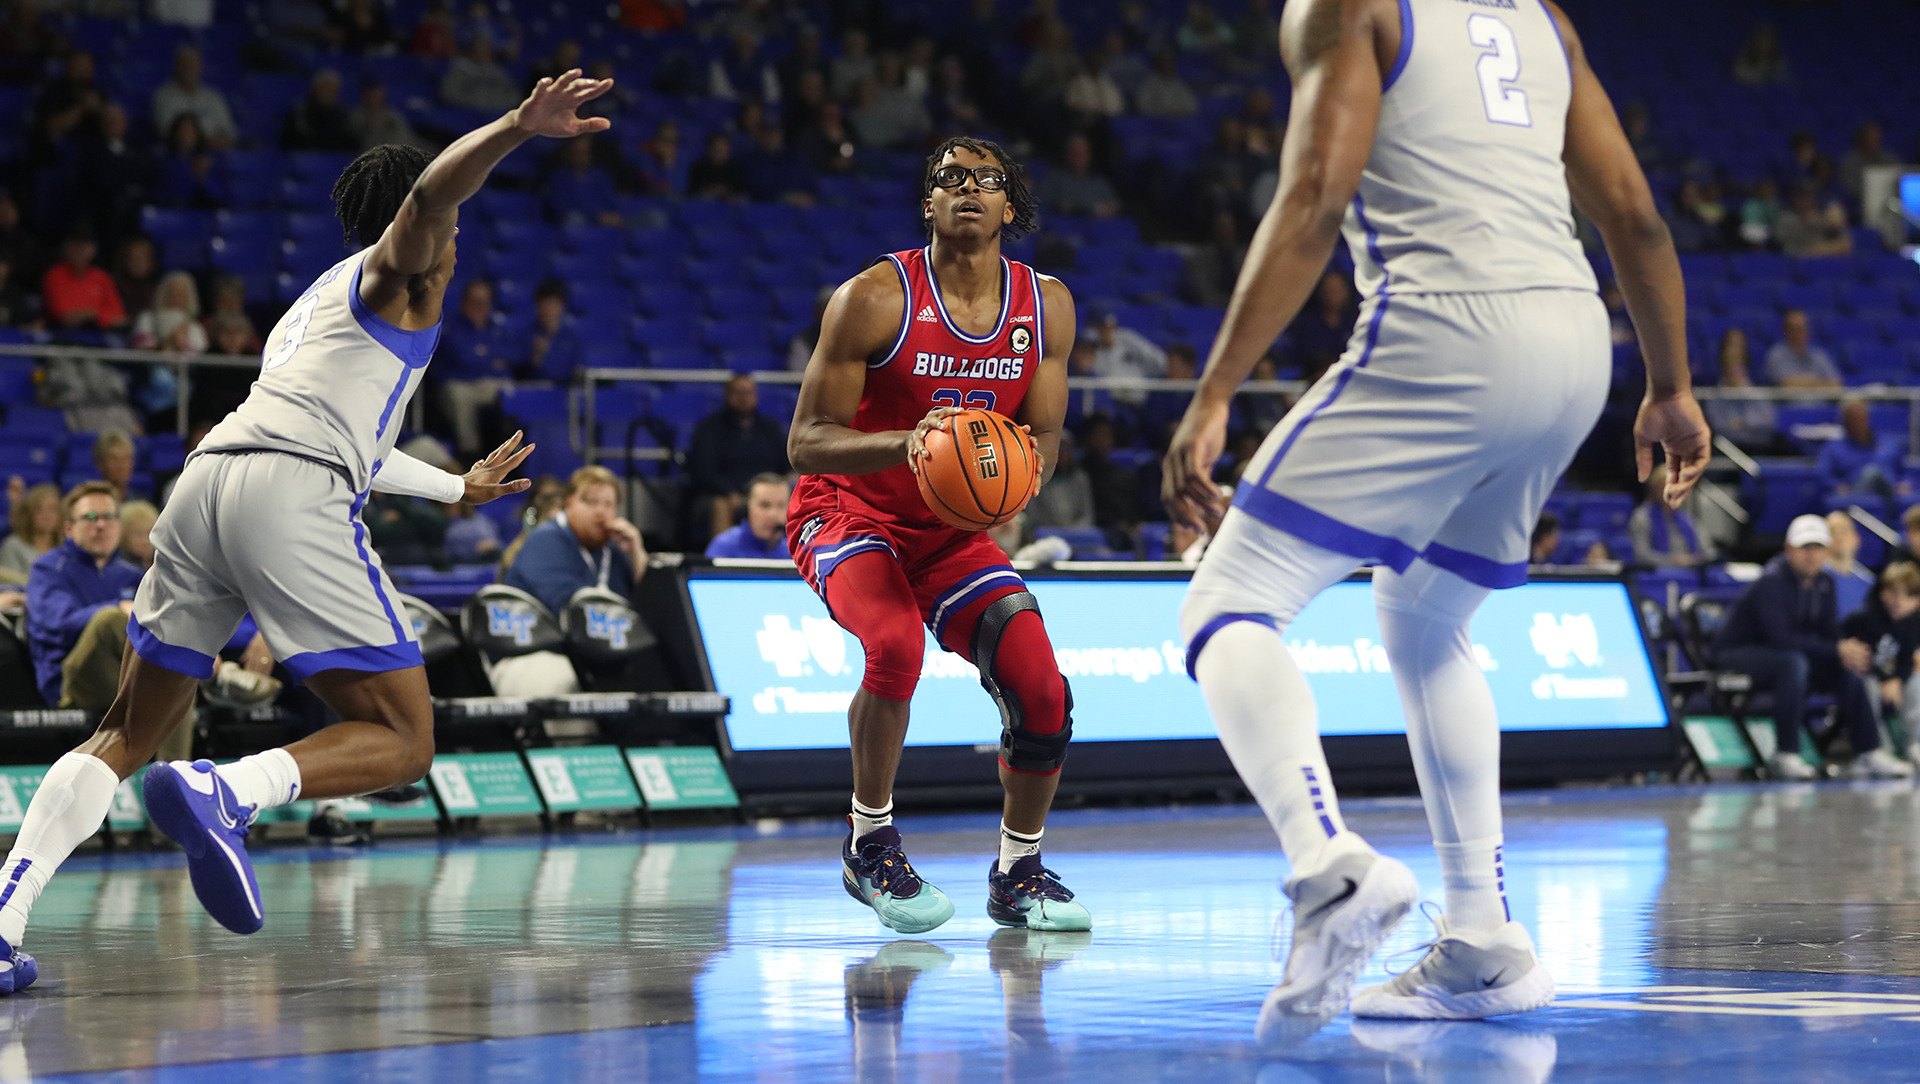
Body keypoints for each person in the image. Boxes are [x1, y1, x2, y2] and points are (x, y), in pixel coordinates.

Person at [1160, 0, 1711, 1037]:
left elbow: (1317, 192)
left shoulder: (1349, 6)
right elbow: (1633, 211)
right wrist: (1671, 384)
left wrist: (1217, 389)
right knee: (1425, 619)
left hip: (1446, 325)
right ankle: (1485, 939)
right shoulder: (1543, 17)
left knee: (1227, 600)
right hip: (1574, 343)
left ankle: (1328, 867)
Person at [0, 69, 609, 988]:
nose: (452, 236)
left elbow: (350, 436)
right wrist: (518, 128)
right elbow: (432, 195)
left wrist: (452, 488)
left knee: (124, 730)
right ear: (420, 217)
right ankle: (227, 790)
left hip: (207, 484)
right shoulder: (405, 264)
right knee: (405, 737)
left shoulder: (313, 307)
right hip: (289, 493)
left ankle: (4, 914)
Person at [786, 136, 1090, 936]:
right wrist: (914, 441)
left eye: (986, 181)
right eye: (949, 179)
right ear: (928, 202)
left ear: (1009, 207)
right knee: (895, 645)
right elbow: (805, 441)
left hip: (950, 530)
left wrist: (1008, 482)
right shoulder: (873, 297)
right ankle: (869, 841)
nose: (967, 190)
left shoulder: (1046, 305)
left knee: (1042, 690)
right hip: (847, 508)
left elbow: (1047, 441)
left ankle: (1019, 871)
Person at [1715, 515, 1910, 781]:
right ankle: (1786, 754)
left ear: (1826, 551)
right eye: (1804, 548)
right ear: (1788, 550)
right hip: (1738, 654)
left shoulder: (1825, 583)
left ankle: (1869, 751)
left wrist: (1845, 648)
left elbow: (1828, 633)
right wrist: (1835, 649)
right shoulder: (1771, 582)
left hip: (1790, 657)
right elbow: (1780, 638)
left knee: (1846, 668)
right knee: (1793, 663)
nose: (1811, 555)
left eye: (1817, 548)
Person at [687, 373, 790, 541]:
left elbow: (785, 465)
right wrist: (731, 492)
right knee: (721, 504)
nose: (744, 398)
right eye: (738, 393)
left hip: (766, 491)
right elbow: (703, 472)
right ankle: (722, 559)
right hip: (724, 493)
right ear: (727, 396)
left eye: (748, 393)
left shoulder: (770, 428)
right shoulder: (709, 428)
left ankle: (790, 553)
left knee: (784, 500)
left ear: (755, 396)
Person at [1842, 562, 1920, 764]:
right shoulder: (1864, 618)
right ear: (1884, 593)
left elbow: (1906, 660)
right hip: (1860, 674)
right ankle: (1875, 748)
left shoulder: (1909, 623)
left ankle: (1916, 744)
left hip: (1886, 675)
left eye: (1907, 596)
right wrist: (1885, 679)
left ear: (1916, 602)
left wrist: (1896, 680)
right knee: (1867, 686)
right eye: (1893, 594)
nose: (1899, 601)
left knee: (1915, 682)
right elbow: (1860, 657)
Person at [437, 279, 518, 457]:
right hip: (460, 384)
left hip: (490, 384)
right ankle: (469, 454)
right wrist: (490, 359)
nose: (479, 306)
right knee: (460, 396)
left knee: (511, 392)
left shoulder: (498, 330)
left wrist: (481, 356)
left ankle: (513, 450)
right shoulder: (450, 328)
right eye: (475, 301)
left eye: (484, 302)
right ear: (464, 302)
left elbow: (515, 355)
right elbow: (462, 356)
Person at [1703, 328, 1782, 452]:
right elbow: (1719, 428)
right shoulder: (1715, 397)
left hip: (1758, 448)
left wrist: (1743, 423)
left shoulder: (1757, 394)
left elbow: (1768, 423)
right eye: (1730, 365)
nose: (1734, 370)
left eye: (1738, 365)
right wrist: (1748, 428)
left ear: (1745, 366)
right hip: (1727, 450)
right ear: (1723, 367)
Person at [41, 226, 126, 331]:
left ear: (94, 249)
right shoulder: (54, 276)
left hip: (100, 334)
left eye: (85, 245)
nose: (80, 251)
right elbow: (65, 318)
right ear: (65, 247)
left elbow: (119, 318)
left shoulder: (101, 277)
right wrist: (96, 315)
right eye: (75, 245)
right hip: (63, 335)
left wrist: (93, 315)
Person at [150, 46, 236, 149]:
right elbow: (167, 133)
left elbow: (229, 132)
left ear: (200, 67)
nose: (190, 68)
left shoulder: (214, 97)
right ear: (177, 66)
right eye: (185, 64)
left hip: (217, 153)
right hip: (181, 154)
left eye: (194, 64)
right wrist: (203, 142)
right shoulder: (163, 97)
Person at [1629, 464, 1712, 568]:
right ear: (1655, 489)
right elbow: (1641, 555)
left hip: (1692, 571)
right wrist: (1673, 561)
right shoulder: (1642, 517)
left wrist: (1699, 559)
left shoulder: (1687, 519)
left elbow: (1707, 550)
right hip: (1659, 574)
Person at [1817, 399, 1899, 499]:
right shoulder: (1833, 448)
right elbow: (1822, 476)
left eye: (1862, 417)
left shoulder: (1888, 443)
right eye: (1854, 418)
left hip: (1890, 490)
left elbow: (1906, 472)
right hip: (1854, 492)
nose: (1859, 423)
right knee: (1871, 473)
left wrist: (1906, 483)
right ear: (1845, 421)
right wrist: (1837, 486)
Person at [704, 473, 791, 559]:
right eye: (764, 505)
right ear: (748, 508)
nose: (773, 514)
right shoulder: (724, 547)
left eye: (781, 506)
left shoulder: (795, 552)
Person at [1038, 134, 1120, 218]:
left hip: (1098, 226)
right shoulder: (1054, 179)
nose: (1080, 156)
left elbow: (1114, 206)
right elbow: (1046, 203)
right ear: (1067, 154)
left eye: (1084, 152)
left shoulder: (1100, 183)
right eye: (1075, 152)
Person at [280, 69, 358, 153]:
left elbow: (351, 144)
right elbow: (289, 142)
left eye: (334, 90)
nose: (330, 93)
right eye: (326, 88)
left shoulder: (343, 115)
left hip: (336, 162)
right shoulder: (299, 114)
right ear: (316, 89)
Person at [1764, 309, 1841, 389]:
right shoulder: (1776, 355)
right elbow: (1788, 385)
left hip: (1821, 400)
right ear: (1785, 331)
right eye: (1794, 328)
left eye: (1803, 328)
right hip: (1790, 401)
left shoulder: (1819, 355)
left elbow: (1836, 384)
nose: (1799, 333)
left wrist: (1806, 382)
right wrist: (1820, 383)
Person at [526, 278, 585, 383]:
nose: (547, 309)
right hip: (534, 393)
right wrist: (534, 357)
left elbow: (579, 370)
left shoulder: (571, 339)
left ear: (561, 306)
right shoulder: (526, 335)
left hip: (563, 394)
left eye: (551, 304)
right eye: (543, 304)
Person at [0, 484, 61, 581]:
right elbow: (9, 586)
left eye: (52, 509)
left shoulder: (65, 549)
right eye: (39, 509)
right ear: (29, 514)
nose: (46, 515)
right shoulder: (13, 545)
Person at [1825, 510, 1875, 618]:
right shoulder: (1814, 579)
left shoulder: (1869, 582)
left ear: (1857, 539)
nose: (1839, 537)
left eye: (1844, 531)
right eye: (1833, 532)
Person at [91, 430, 141, 501]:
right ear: (100, 463)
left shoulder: (138, 502)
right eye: (114, 459)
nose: (121, 466)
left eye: (126, 458)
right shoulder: (92, 502)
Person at [117, 500, 158, 570]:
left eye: (150, 532)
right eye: (138, 534)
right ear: (124, 536)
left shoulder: (164, 564)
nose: (146, 540)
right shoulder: (123, 569)